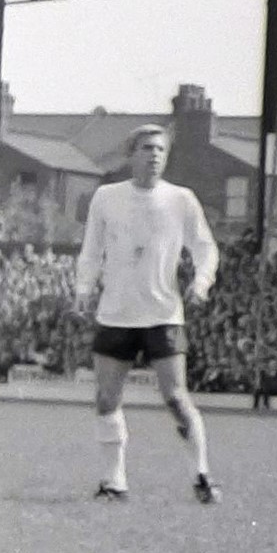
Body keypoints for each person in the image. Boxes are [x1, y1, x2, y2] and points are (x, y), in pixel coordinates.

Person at [74, 125, 221, 502]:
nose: (154, 155)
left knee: (175, 397)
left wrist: (201, 283)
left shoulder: (181, 199)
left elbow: (206, 248)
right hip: (116, 313)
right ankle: (114, 481)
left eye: (160, 149)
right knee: (107, 398)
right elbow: (91, 251)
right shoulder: (107, 197)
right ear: (131, 154)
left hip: (164, 314)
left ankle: (201, 476)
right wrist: (83, 290)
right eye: (146, 148)